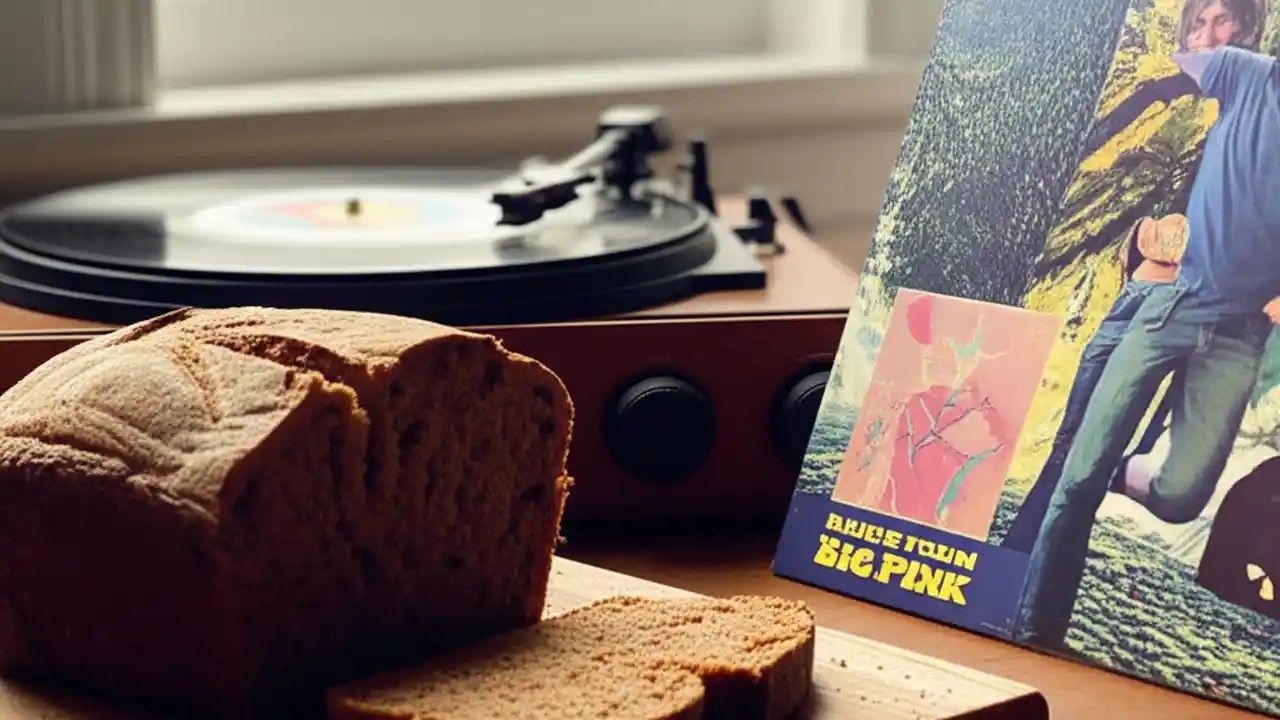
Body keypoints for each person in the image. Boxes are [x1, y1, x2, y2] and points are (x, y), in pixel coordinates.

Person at [1013, 40, 1280, 650]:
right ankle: (1036, 629)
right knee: (1077, 476)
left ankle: (1125, 470)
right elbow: (1180, 56)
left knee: (1182, 496)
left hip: (1240, 338)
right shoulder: (1244, 73)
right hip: (1171, 306)